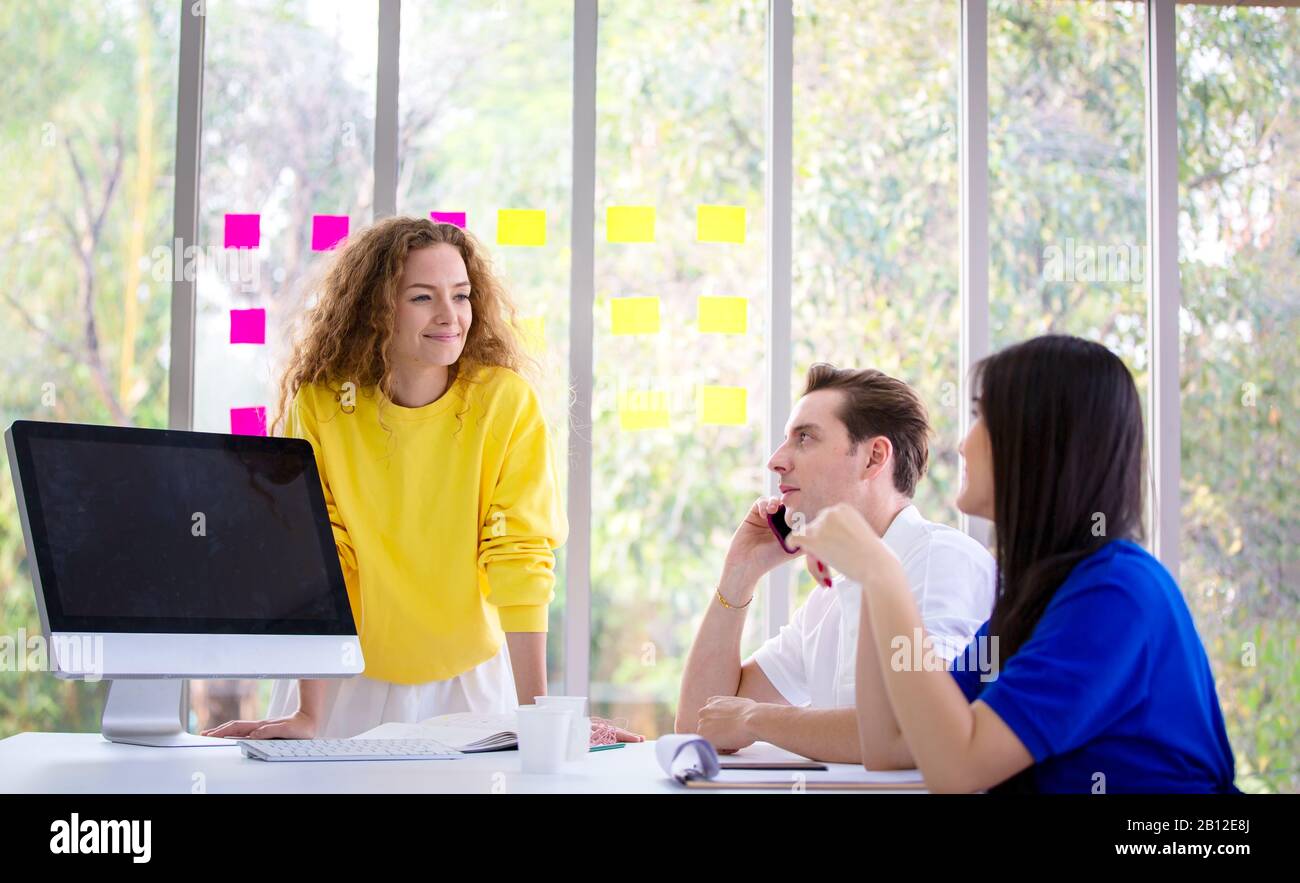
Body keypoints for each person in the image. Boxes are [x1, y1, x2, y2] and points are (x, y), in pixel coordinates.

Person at [202, 216, 639, 743]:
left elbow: (520, 559)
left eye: (461, 295)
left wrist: (538, 716)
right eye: (422, 298)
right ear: (376, 307)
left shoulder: (504, 402)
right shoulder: (321, 406)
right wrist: (309, 714)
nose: (450, 316)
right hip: (343, 678)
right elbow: (316, 559)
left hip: (469, 682)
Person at [799, 334, 1237, 792]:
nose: (964, 444)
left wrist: (881, 572)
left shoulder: (1117, 593)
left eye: (982, 417)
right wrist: (874, 575)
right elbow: (888, 743)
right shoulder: (1036, 601)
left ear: (1041, 438)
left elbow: (957, 770)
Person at [675, 364, 995, 762]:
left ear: (873, 457)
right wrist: (740, 573)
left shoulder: (941, 563)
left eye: (804, 438)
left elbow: (910, 731)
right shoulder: (828, 600)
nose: (776, 461)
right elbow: (699, 724)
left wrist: (755, 719)